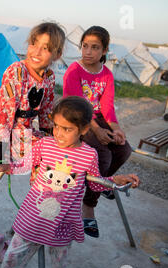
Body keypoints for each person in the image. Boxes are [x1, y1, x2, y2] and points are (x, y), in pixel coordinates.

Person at [0, 96, 140, 268]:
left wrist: (116, 181)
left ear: (84, 129)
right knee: (11, 262)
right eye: (56, 126)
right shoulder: (45, 145)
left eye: (67, 129)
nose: (59, 134)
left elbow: (95, 185)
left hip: (62, 223)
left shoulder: (89, 155)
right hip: (33, 219)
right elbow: (22, 165)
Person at [63, 26, 132, 238]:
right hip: (76, 117)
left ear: (104, 50)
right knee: (103, 153)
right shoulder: (74, 70)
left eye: (95, 47)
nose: (88, 51)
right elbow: (75, 105)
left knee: (123, 149)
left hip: (97, 117)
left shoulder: (106, 74)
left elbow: (107, 107)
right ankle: (89, 204)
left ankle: (100, 182)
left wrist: (116, 129)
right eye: (85, 46)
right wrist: (97, 131)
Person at [0, 21, 65, 183]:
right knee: (50, 152)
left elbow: (46, 115)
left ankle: (46, 195)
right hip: (11, 135)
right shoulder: (16, 72)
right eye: (33, 44)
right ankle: (39, 196)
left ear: (57, 54)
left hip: (28, 132)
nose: (36, 52)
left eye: (45, 48)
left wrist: (56, 139)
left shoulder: (49, 77)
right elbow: (4, 119)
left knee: (66, 149)